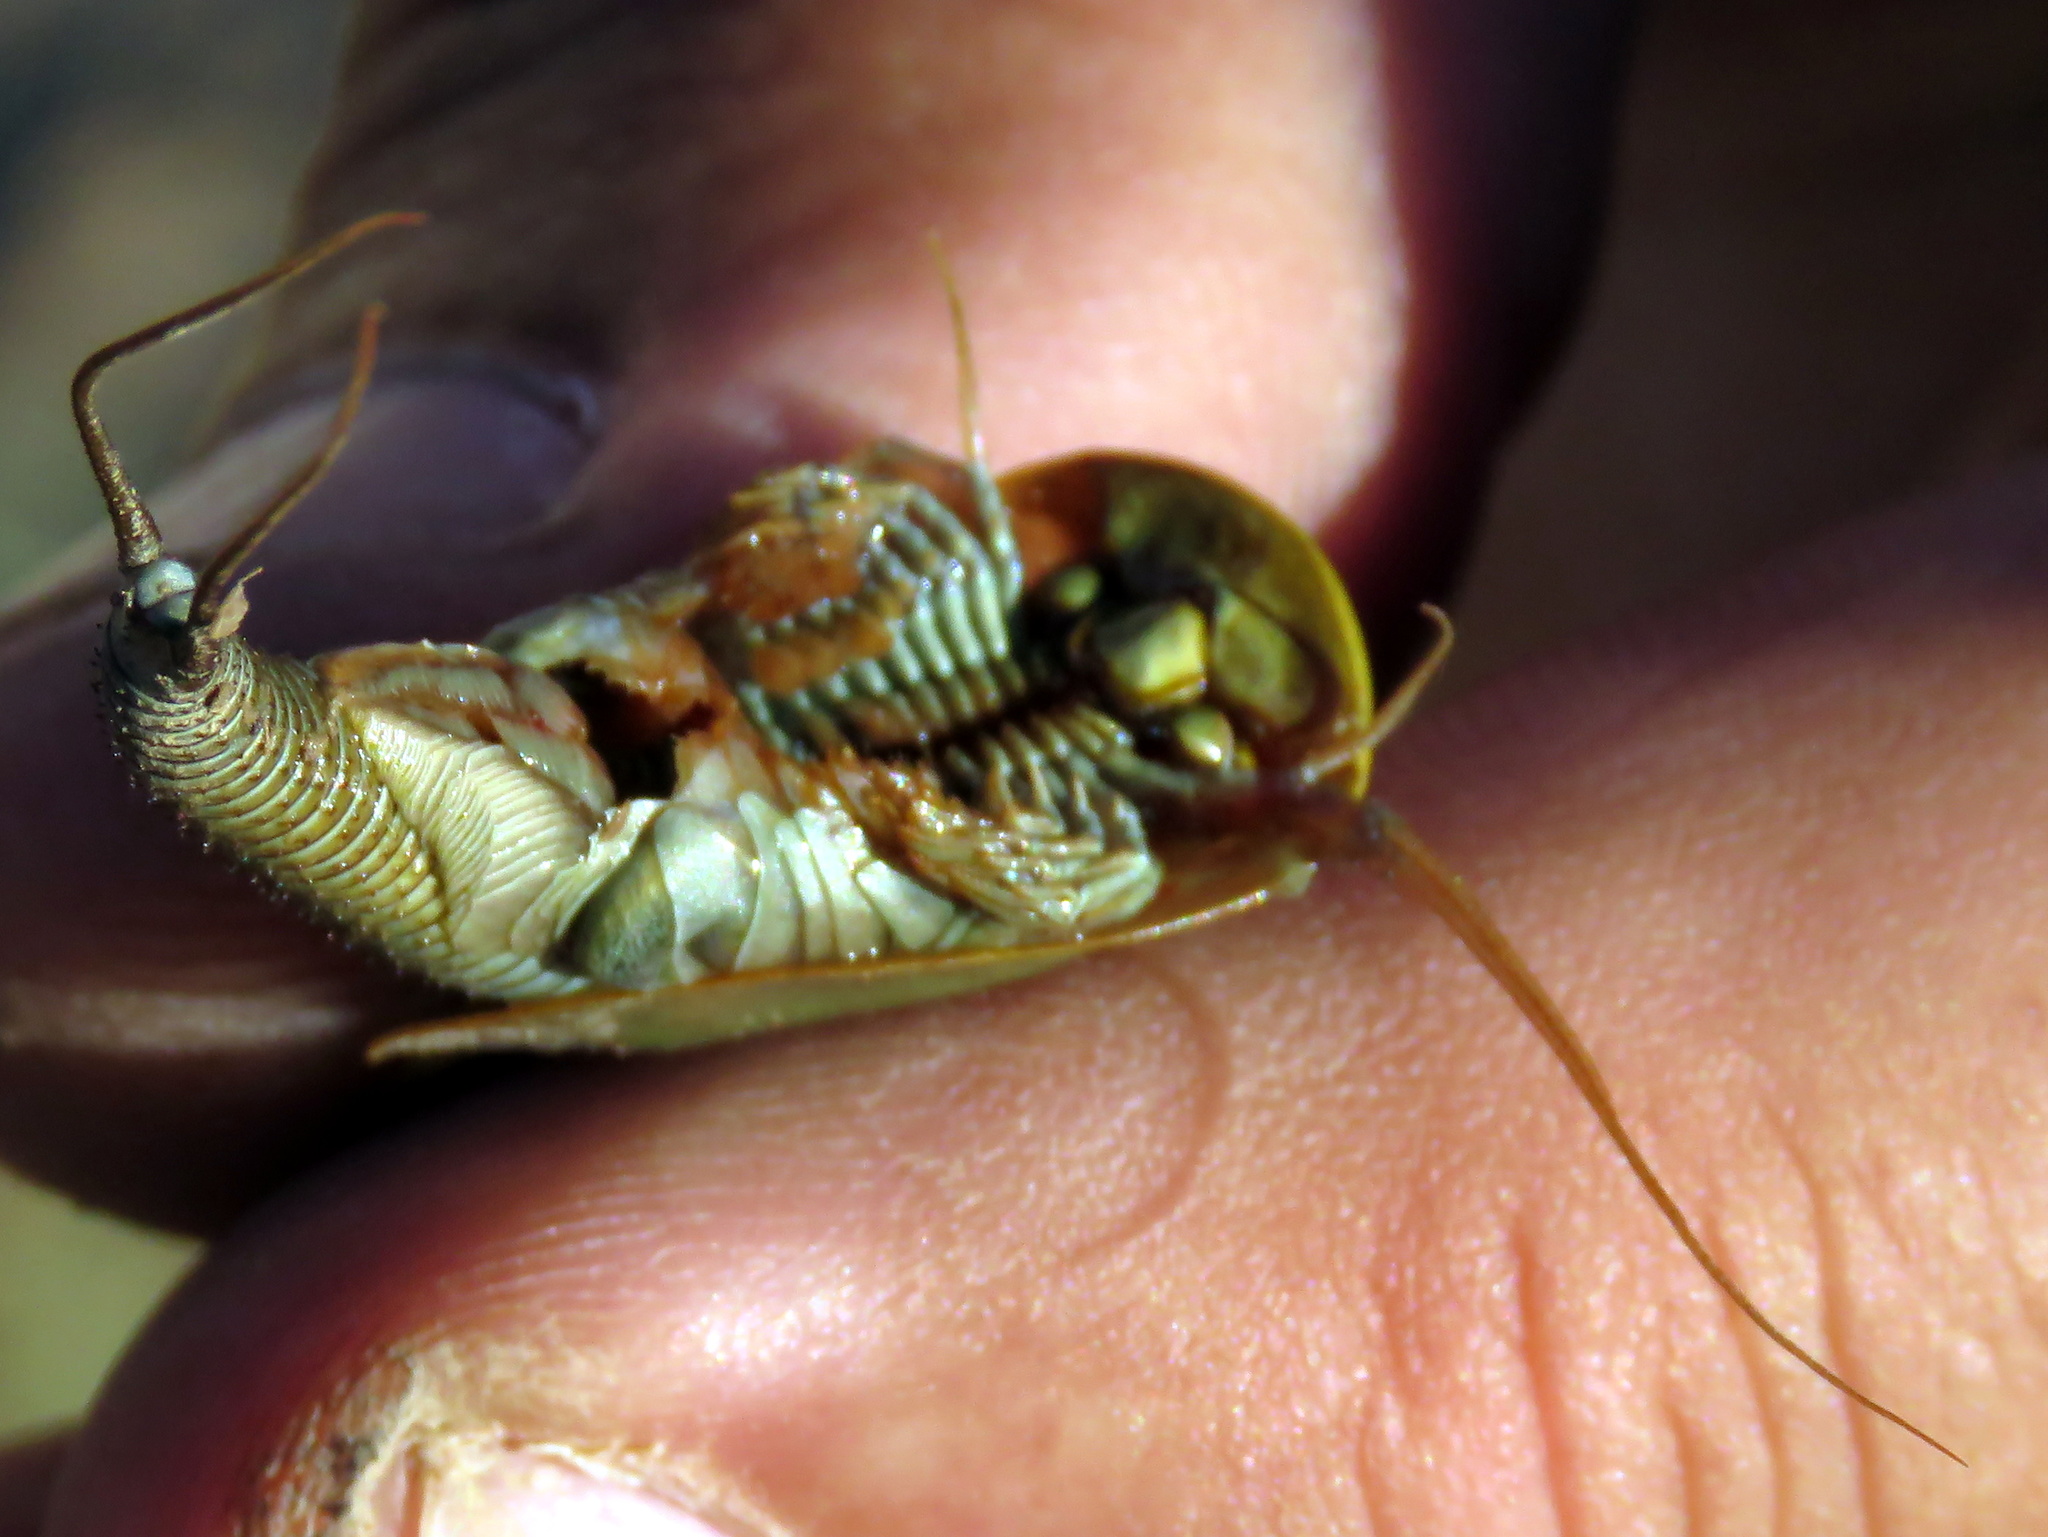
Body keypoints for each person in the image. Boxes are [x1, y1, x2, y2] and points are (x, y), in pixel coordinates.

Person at [2, 1, 2041, 1530]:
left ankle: (194, 690)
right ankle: (198, 690)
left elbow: (1033, 854)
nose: (1146, 665)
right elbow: (837, 543)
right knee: (236, 751)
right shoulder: (974, 582)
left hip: (648, 870)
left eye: (1172, 690)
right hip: (636, 760)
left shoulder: (1102, 833)